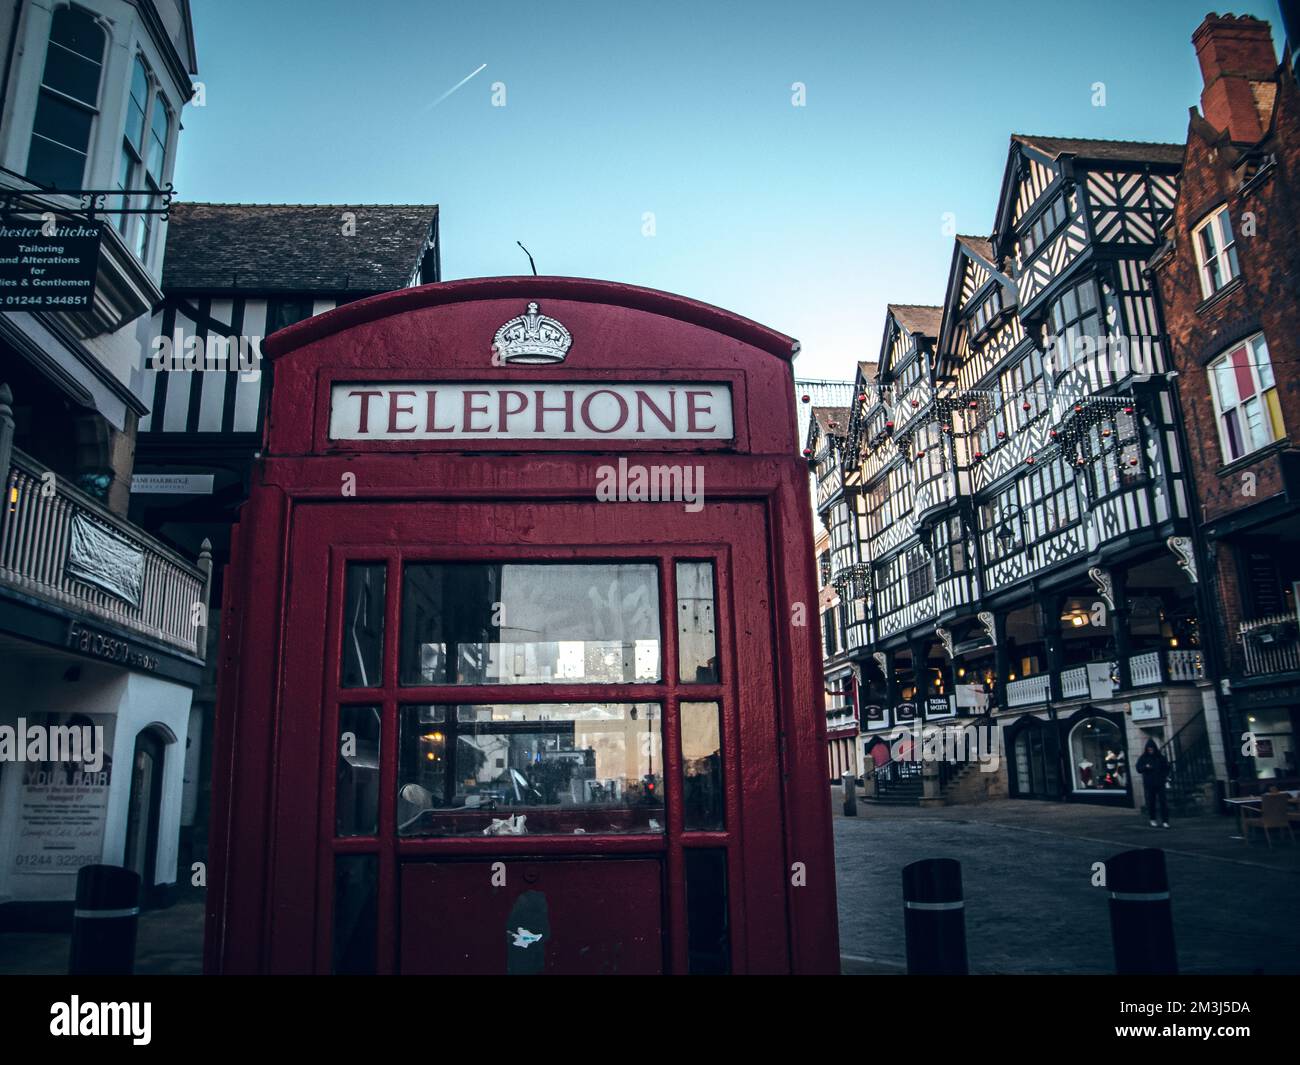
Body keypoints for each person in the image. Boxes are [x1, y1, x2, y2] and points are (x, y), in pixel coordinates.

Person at [1136, 739, 1170, 828]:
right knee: (1151, 802)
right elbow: (1138, 769)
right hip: (1149, 783)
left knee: (1163, 802)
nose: (1150, 751)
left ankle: (1165, 821)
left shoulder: (1160, 757)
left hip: (1160, 782)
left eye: (1152, 749)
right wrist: (1145, 767)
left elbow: (1166, 768)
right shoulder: (1143, 758)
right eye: (1149, 749)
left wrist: (1165, 777)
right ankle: (1153, 819)